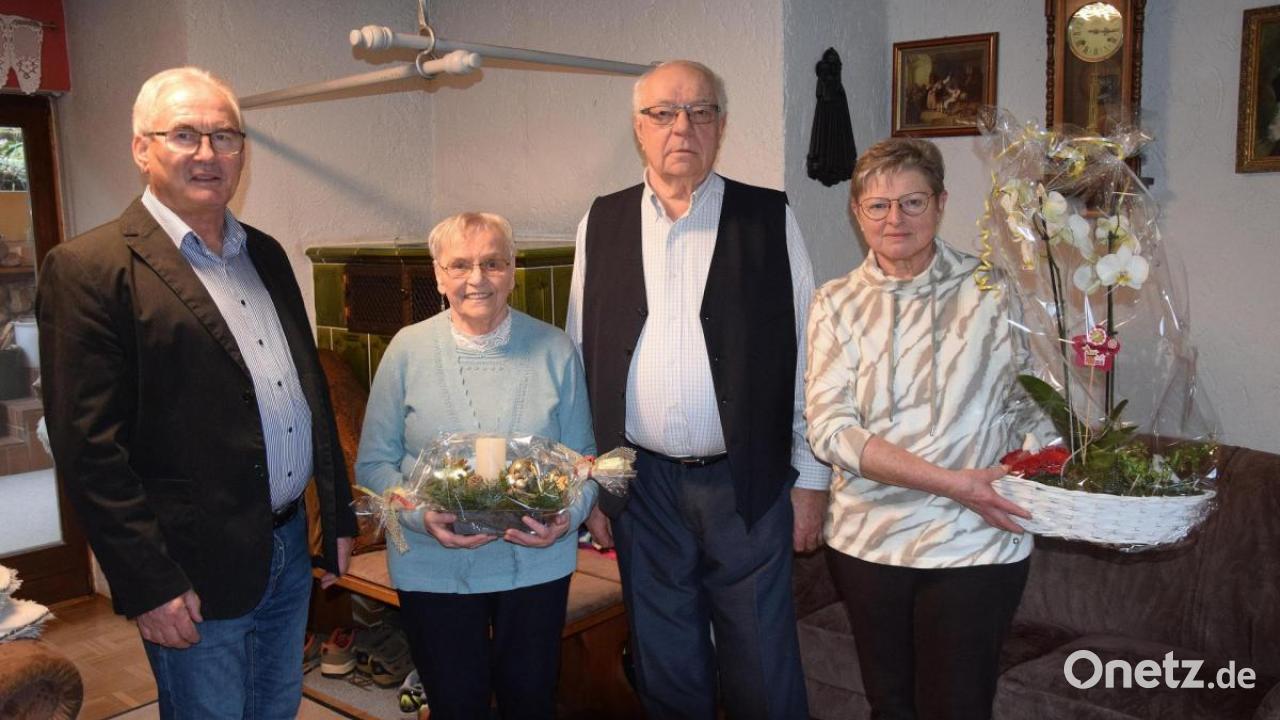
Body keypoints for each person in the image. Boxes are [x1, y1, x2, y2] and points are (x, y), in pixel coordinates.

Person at [36, 67, 355, 719]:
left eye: (225, 136)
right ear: (141, 147)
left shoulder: (263, 252)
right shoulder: (89, 269)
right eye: (186, 134)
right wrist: (146, 581)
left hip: (288, 546)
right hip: (191, 568)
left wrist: (338, 517)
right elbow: (89, 450)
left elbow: (308, 392)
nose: (209, 153)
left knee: (276, 707)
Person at [566, 59, 824, 719]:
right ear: (639, 128)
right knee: (664, 660)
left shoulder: (769, 218)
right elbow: (580, 355)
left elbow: (810, 355)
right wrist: (591, 483)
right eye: (664, 113)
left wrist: (812, 480)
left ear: (721, 125)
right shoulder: (602, 220)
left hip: (748, 483)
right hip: (640, 486)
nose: (683, 126)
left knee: (761, 663)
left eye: (701, 111)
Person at [805, 137, 1044, 719]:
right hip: (871, 543)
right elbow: (831, 430)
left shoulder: (994, 289)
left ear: (940, 203)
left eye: (912, 202)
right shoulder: (835, 303)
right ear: (857, 214)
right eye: (878, 206)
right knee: (892, 706)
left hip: (977, 539)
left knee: (959, 707)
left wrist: (1047, 462)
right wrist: (952, 481)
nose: (896, 219)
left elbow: (1032, 401)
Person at [355, 212, 597, 720]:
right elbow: (374, 466)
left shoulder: (554, 349)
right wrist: (423, 516)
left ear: (512, 270)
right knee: (454, 705)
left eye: (492, 262)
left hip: (535, 564)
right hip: (432, 565)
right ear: (439, 275)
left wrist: (565, 519)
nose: (476, 279)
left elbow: (583, 464)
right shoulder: (406, 351)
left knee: (530, 704)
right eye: (460, 265)